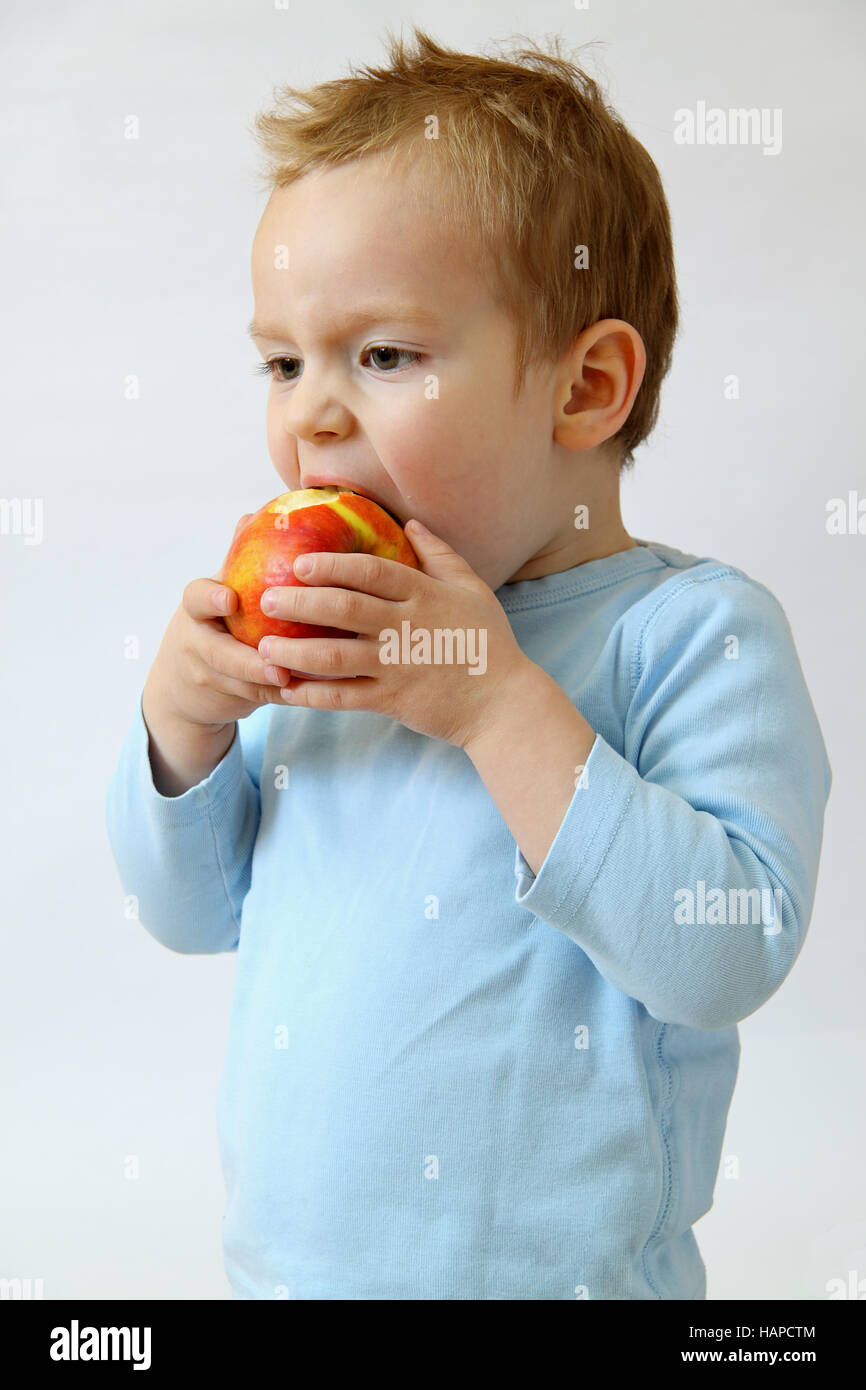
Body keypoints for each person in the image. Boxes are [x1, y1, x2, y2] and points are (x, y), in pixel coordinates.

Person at [106, 28, 831, 1299]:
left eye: (382, 355)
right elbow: (188, 914)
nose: (311, 413)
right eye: (284, 362)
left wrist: (498, 707)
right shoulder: (326, 645)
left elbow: (724, 953)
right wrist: (185, 730)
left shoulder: (687, 634)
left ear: (584, 388)